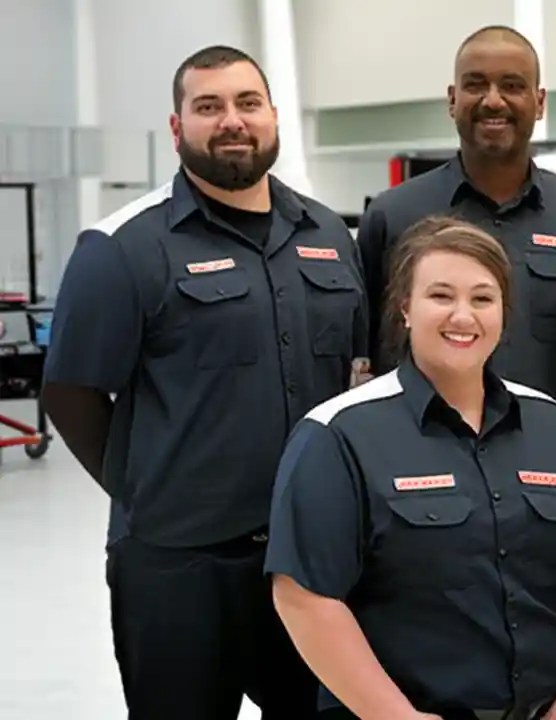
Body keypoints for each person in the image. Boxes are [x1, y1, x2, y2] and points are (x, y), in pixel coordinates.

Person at [41, 45, 367, 718]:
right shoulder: (121, 247)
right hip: (178, 570)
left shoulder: (329, 235)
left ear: (273, 116)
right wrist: (148, 490)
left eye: (247, 103)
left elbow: (356, 378)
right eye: (208, 106)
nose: (232, 121)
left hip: (311, 556)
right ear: (177, 126)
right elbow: (70, 393)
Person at [265, 216, 556, 720]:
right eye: (440, 296)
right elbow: (302, 596)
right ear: (404, 308)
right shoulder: (337, 433)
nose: (463, 316)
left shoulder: (552, 423)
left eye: (482, 298)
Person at [355, 24, 556, 514]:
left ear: (539, 102)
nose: (493, 100)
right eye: (476, 84)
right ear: (452, 99)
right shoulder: (393, 217)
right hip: (421, 489)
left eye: (512, 85)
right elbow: (371, 354)